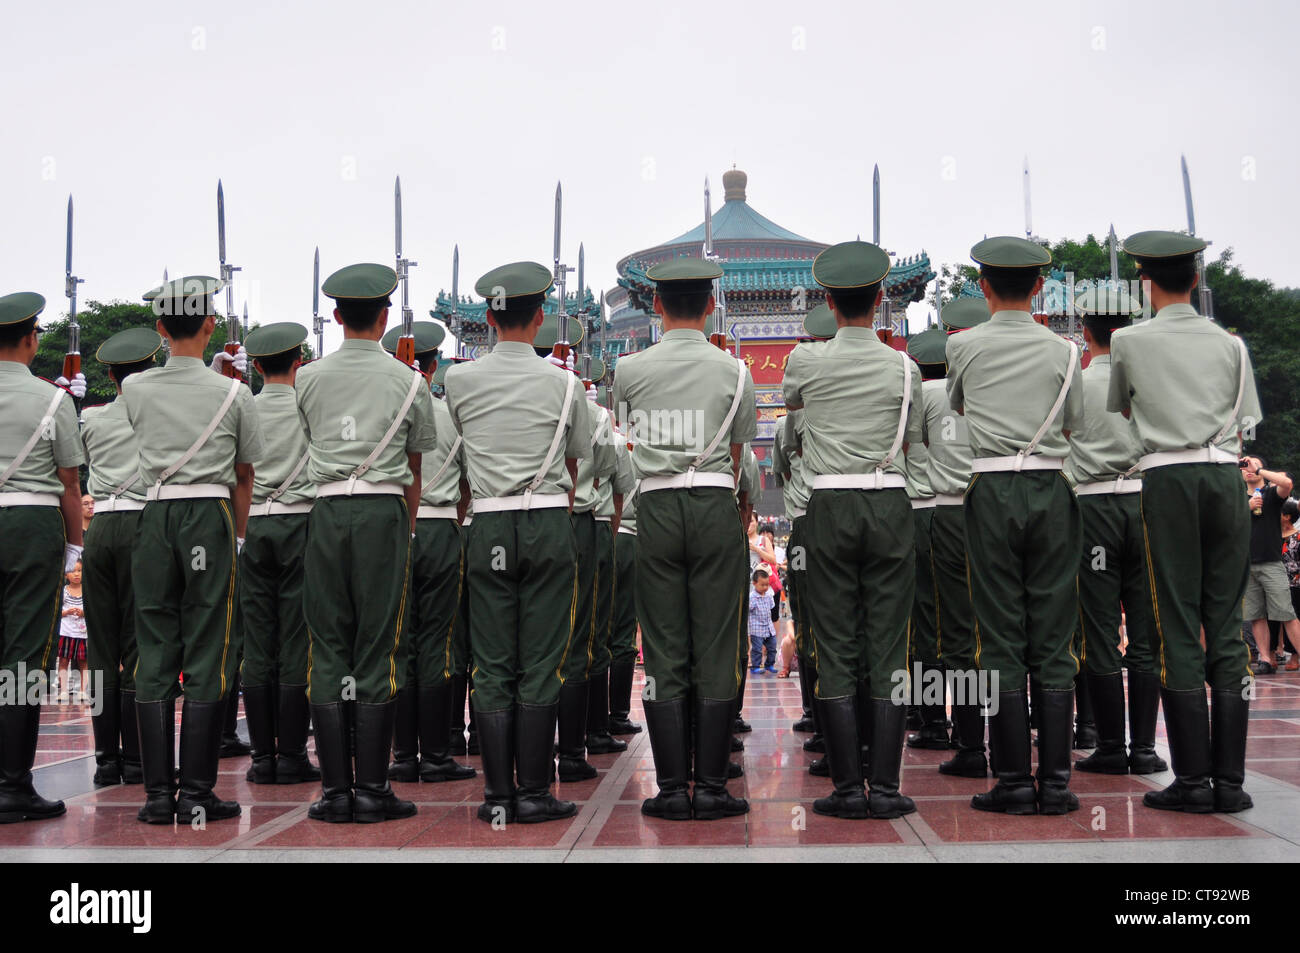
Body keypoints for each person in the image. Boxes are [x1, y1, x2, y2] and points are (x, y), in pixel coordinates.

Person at [1110, 229, 1261, 813]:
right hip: (1224, 478)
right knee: (1226, 623)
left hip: (1167, 479)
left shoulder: (1127, 340)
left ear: (1146, 282)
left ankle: (1192, 780)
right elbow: (1244, 420)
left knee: (1175, 621)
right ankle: (1231, 783)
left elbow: (1123, 407)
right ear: (1195, 281)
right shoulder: (1231, 345)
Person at [444, 261, 592, 825]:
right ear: (540, 321)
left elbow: (459, 438)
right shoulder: (564, 382)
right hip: (549, 524)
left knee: (492, 662)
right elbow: (576, 454)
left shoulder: (459, 381)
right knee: (542, 659)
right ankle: (533, 791)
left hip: (487, 526)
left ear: (487, 318)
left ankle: (497, 796)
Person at [613, 256, 756, 822]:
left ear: (656, 305)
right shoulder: (738, 372)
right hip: (715, 505)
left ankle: (672, 787)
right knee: (717, 645)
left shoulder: (628, 371)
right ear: (710, 306)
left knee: (665, 647)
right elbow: (740, 456)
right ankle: (715, 786)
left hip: (656, 508)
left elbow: (626, 431)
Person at [782, 241, 921, 821]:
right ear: (881, 299)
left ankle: (845, 788)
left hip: (827, 506)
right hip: (889, 503)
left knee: (834, 641)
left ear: (829, 303)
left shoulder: (804, 360)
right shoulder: (905, 367)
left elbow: (792, 408)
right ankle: (885, 788)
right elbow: (913, 439)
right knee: (888, 645)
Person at [946, 237, 1084, 816]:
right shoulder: (1067, 351)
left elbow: (956, 410)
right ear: (1037, 288)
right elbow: (1074, 423)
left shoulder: (962, 347)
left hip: (990, 489)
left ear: (983, 288)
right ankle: (1055, 783)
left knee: (997, 633)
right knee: (1054, 632)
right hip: (1053, 488)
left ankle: (1012, 782)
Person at [297, 263, 437, 824]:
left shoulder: (307, 378)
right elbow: (415, 465)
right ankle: (374, 790)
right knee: (379, 645)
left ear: (335, 317)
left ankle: (335, 793)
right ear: (384, 318)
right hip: (384, 511)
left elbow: (312, 439)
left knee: (328, 646)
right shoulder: (410, 381)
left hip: (327, 510)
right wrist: (401, 529)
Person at [126, 275, 261, 825]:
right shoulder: (235, 392)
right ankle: (198, 794)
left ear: (159, 329)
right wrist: (239, 536)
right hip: (210, 515)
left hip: (154, 515)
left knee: (155, 649)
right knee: (210, 648)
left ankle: (159, 796)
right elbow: (246, 473)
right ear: (211, 324)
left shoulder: (134, 388)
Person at [1064, 287, 1167, 777]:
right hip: (1144, 504)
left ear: (1084, 332)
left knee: (1099, 629)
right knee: (1146, 630)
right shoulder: (1148, 384)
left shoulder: (1075, 385)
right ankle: (1144, 749)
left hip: (1095, 509)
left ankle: (1108, 745)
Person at [379, 322, 475, 786]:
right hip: (440, 530)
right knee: (437, 644)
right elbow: (467, 487)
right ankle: (436, 755)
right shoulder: (450, 417)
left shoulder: (380, 407)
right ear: (433, 366)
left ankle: (401, 755)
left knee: (397, 641)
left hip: (395, 529)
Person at [0, 291, 83, 824]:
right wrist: (75, 545)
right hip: (31, 524)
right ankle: (12, 784)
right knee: (23, 658)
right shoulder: (54, 401)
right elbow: (70, 481)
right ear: (32, 339)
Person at [533, 318, 619, 782]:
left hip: (512, 524)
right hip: (579, 523)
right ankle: (572, 750)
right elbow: (605, 468)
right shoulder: (595, 412)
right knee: (579, 636)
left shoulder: (497, 390)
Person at [237, 323, 321, 786]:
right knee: (295, 641)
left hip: (251, 526)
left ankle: (260, 757)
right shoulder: (309, 403)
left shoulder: (241, 404)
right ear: (299, 362)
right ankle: (290, 755)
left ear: (255, 366)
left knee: (256, 642)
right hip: (299, 521)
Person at [79, 327, 161, 787]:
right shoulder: (160, 413)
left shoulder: (91, 417)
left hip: (102, 527)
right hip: (143, 524)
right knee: (141, 644)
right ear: (152, 370)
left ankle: (106, 760)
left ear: (109, 374)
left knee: (101, 649)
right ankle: (137, 761)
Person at [911, 311, 991, 778]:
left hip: (934, 512)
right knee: (996, 624)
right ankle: (1004, 738)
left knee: (937, 627)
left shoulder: (922, 395)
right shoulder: (979, 385)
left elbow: (913, 444)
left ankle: (951, 734)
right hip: (989, 504)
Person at [582, 362, 635, 754]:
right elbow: (620, 493)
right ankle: (602, 723)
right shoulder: (618, 440)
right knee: (606, 631)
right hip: (605, 532)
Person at [1240, 456, 1300, 668]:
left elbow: (1287, 484)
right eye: (1244, 466)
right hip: (1246, 565)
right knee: (1255, 615)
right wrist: (1245, 507)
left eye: (1252, 465)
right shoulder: (1237, 498)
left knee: (1286, 613)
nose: (1247, 469)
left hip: (1272, 562)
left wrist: (1259, 471)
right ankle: (1265, 658)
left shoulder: (1271, 494)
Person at [608, 427, 642, 736]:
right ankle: (616, 713)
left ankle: (588, 724)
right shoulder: (640, 456)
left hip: (596, 536)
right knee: (622, 630)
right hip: (628, 540)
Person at [57, 561, 88, 702]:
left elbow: (93, 610)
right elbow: (56, 612)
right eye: (73, 571)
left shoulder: (87, 591)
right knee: (63, 661)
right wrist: (66, 612)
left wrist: (83, 613)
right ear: (66, 575)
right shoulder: (63, 591)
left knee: (84, 662)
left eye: (80, 570)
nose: (76, 574)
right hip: (66, 632)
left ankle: (83, 691)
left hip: (82, 633)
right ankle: (63, 690)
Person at [1281, 498, 1300, 671]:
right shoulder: (1273, 535)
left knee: (1295, 618)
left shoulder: (1298, 536)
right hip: (1281, 585)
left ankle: (1295, 656)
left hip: (1296, 584)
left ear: (1286, 517)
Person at [749, 568, 777, 673]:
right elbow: (749, 610)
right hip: (757, 628)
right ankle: (755, 666)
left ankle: (769, 664)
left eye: (767, 585)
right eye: (762, 585)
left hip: (769, 627)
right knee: (757, 649)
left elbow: (771, 608)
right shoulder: (752, 597)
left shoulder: (769, 595)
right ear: (754, 583)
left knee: (772, 647)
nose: (765, 587)